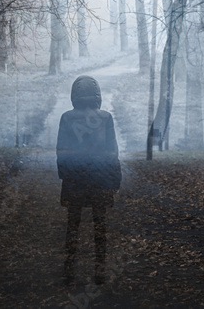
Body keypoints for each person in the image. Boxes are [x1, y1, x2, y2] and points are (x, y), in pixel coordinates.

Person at [56, 75, 121, 285]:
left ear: (74, 94)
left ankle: (68, 271)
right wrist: (115, 178)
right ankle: (99, 271)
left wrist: (65, 175)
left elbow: (61, 151)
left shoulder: (66, 118)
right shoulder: (105, 117)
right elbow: (112, 151)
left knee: (72, 226)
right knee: (100, 226)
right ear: (97, 94)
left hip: (75, 180)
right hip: (100, 179)